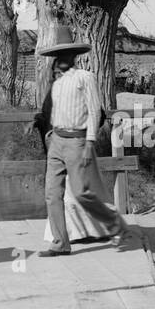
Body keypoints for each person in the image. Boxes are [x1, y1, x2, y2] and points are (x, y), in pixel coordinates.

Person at [32, 31, 127, 256]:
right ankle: (60, 243)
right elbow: (52, 111)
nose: (59, 60)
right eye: (57, 56)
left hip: (76, 141)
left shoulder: (85, 78)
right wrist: (43, 127)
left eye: (64, 55)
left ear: (73, 56)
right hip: (56, 140)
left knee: (81, 192)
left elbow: (95, 111)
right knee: (52, 193)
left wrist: (89, 143)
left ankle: (114, 222)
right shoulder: (56, 83)